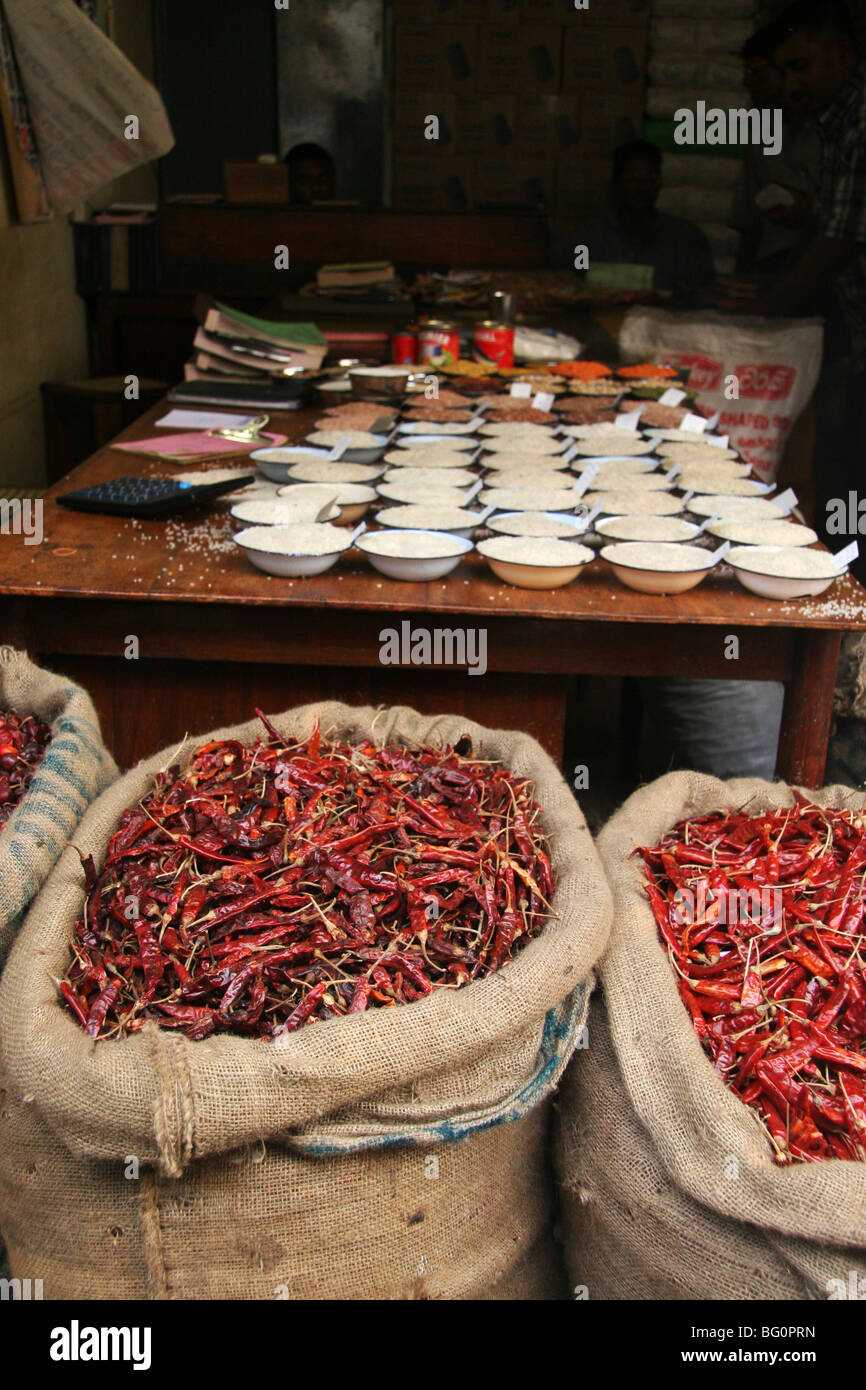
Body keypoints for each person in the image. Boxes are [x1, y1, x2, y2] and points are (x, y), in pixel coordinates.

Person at [551, 139, 715, 298]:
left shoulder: (685, 240)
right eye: (632, 180)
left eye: (649, 180)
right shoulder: (586, 241)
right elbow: (558, 282)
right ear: (616, 185)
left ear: (659, 184)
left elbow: (703, 293)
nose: (641, 188)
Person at [729, 19, 820, 276]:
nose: (748, 83)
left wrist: (807, 210)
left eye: (757, 73)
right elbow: (749, 223)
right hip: (771, 269)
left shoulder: (835, 129)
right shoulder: (763, 130)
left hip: (825, 271)